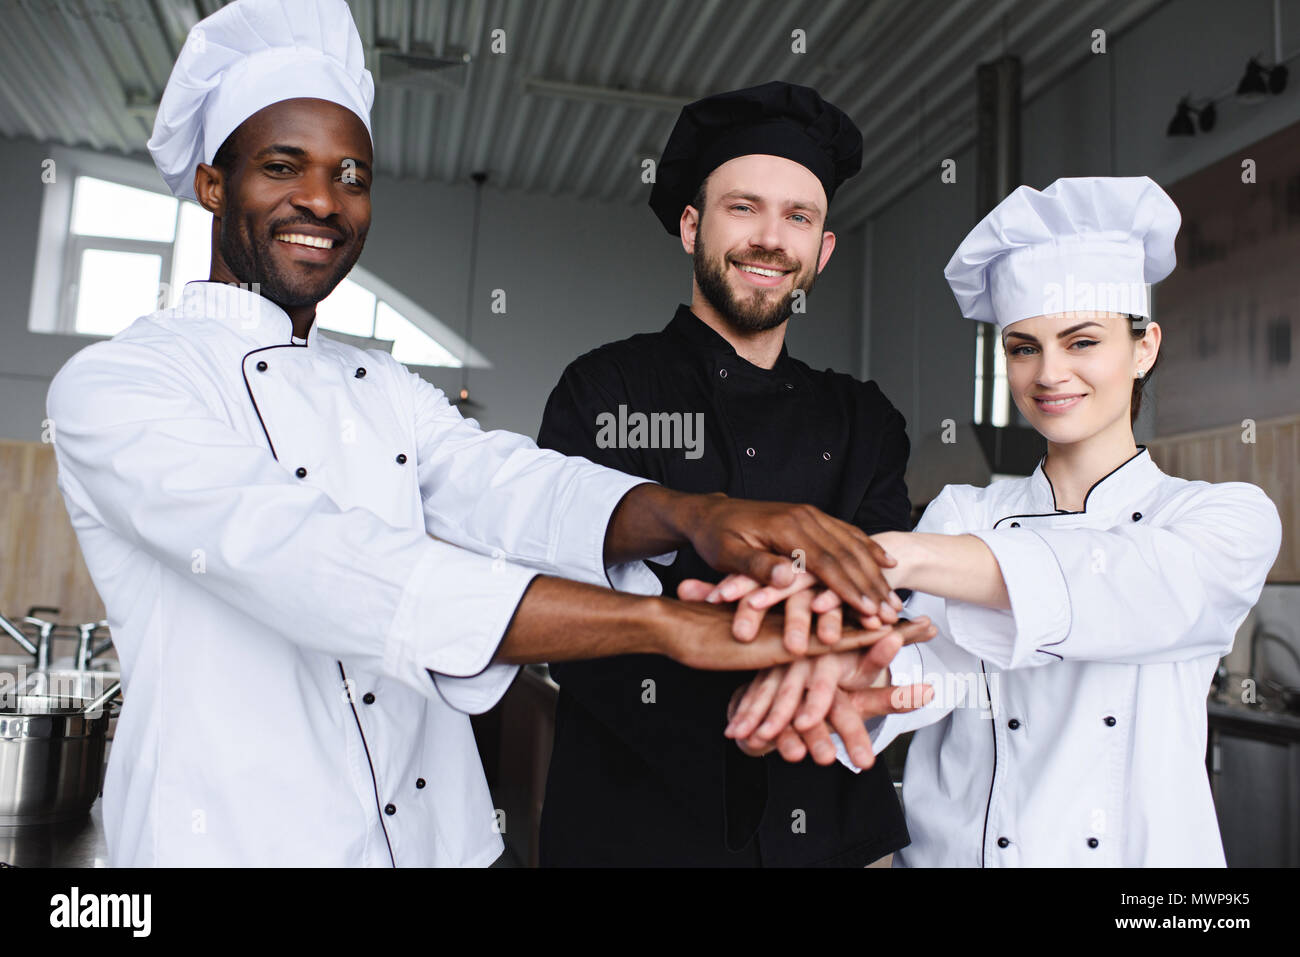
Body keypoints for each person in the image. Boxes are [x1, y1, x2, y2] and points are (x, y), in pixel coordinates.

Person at [45, 0, 926, 866]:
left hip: (438, 846)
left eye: (352, 175)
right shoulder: (120, 386)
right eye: (284, 166)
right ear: (210, 184)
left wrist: (694, 515)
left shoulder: (385, 386)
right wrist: (669, 624)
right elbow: (311, 559)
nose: (322, 198)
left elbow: (506, 483)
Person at [710, 176, 1283, 866]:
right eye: (1022, 347)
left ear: (1144, 347)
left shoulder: (1221, 519)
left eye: (1081, 342)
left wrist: (892, 553)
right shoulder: (967, 512)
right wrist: (837, 684)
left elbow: (1118, 582)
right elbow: (933, 665)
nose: (1049, 373)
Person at [536, 82, 932, 867]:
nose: (769, 239)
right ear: (692, 226)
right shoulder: (605, 390)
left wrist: (826, 646)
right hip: (636, 826)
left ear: (821, 251)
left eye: (799, 217)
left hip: (829, 833)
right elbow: (563, 597)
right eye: (743, 208)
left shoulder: (864, 419)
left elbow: (888, 593)